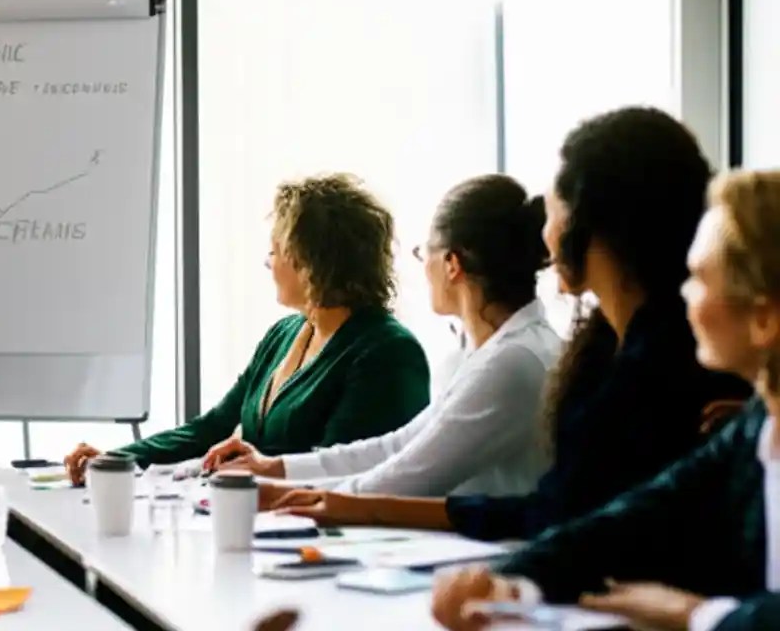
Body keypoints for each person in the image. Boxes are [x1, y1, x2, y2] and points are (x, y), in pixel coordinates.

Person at [270, 107, 752, 535]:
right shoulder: (602, 349)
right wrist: (290, 479)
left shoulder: (580, 362)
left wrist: (321, 499)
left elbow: (567, 517)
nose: (546, 239)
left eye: (554, 213)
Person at [430, 169, 780, 631]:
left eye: (697, 278)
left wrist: (694, 613)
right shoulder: (758, 425)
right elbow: (636, 517)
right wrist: (510, 581)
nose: (683, 293)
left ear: (763, 319)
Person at [203, 174, 560, 498]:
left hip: (494, 547)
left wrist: (286, 493)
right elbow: (401, 446)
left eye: (424, 253)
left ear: (452, 264)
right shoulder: (492, 352)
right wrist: (276, 469)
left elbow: (411, 475)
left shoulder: (511, 363)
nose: (423, 266)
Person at [65, 173, 430, 483]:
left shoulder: (387, 351)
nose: (268, 264)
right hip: (265, 519)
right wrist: (119, 458)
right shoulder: (284, 334)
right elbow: (213, 427)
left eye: (275, 252)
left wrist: (257, 468)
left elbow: (340, 468)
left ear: (309, 262)